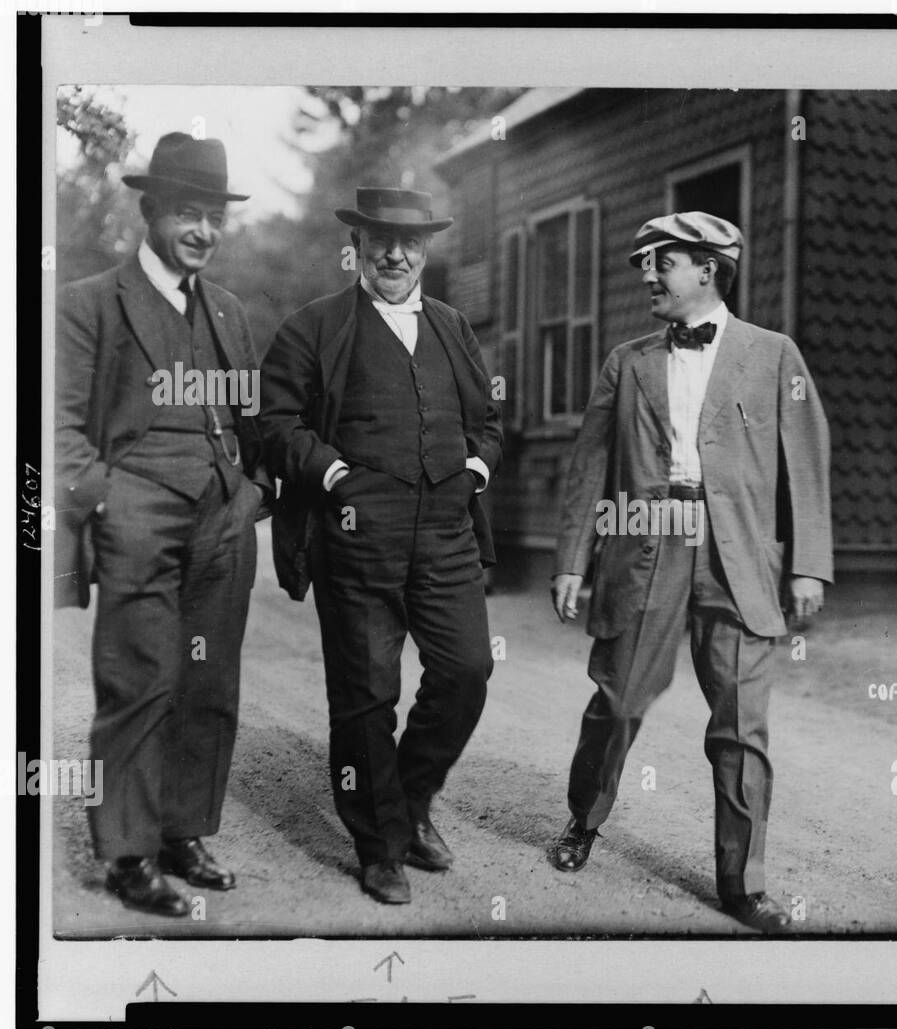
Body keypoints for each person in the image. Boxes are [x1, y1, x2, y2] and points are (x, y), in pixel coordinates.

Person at [549, 211, 833, 933]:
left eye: (662, 262)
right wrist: (572, 560)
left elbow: (805, 464)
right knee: (617, 698)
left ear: (707, 269)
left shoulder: (774, 355)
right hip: (647, 540)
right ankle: (584, 818)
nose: (647, 274)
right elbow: (588, 467)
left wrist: (808, 566)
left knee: (741, 723)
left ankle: (743, 882)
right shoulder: (627, 360)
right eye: (644, 262)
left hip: (740, 552)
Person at [258, 187, 501, 905]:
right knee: (366, 698)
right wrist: (332, 472)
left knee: (467, 670)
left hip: (446, 533)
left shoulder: (454, 327)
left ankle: (412, 796)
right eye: (381, 240)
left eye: (411, 241)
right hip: (355, 536)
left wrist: (475, 470)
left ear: (427, 249)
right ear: (358, 245)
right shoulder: (314, 327)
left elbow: (488, 419)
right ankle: (380, 843)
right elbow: (274, 420)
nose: (396, 253)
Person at [55, 132, 270, 917]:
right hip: (136, 510)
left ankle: (183, 830)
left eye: (213, 215)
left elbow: (254, 417)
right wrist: (107, 498)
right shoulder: (89, 303)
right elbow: (59, 424)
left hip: (224, 513)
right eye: (188, 212)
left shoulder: (229, 310)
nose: (203, 231)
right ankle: (127, 854)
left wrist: (256, 490)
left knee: (208, 683)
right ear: (150, 211)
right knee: (139, 682)